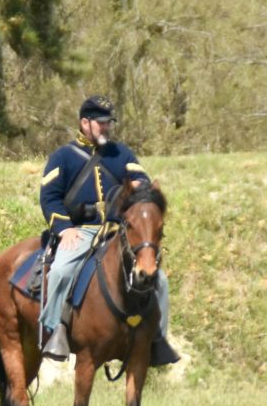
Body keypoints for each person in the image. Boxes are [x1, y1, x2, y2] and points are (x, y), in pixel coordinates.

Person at [37, 96, 179, 365]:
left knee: (159, 280)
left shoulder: (121, 153)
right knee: (61, 270)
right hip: (80, 229)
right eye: (101, 123)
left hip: (118, 231)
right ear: (84, 123)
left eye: (108, 123)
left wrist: (140, 188)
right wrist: (64, 228)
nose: (106, 128)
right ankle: (54, 330)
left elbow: (142, 182)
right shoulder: (63, 157)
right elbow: (49, 197)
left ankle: (158, 340)